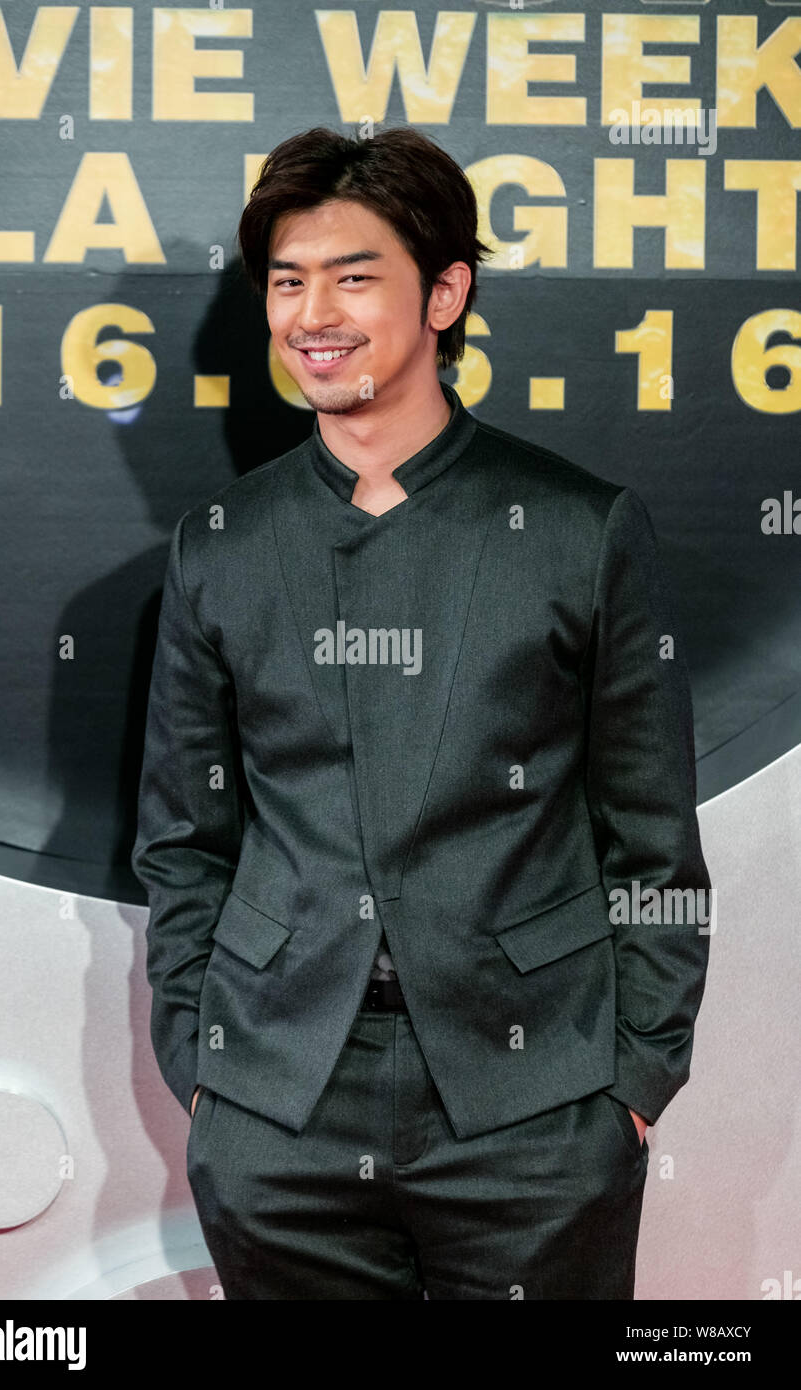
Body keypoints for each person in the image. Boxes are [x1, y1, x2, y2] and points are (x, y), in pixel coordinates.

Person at [131, 126, 711, 1300]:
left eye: (354, 276)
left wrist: (632, 1080)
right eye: (287, 283)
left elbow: (651, 839)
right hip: (278, 1108)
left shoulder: (573, 529)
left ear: (444, 292)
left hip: (534, 1107)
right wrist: (206, 1068)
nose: (313, 314)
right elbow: (183, 844)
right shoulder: (218, 550)